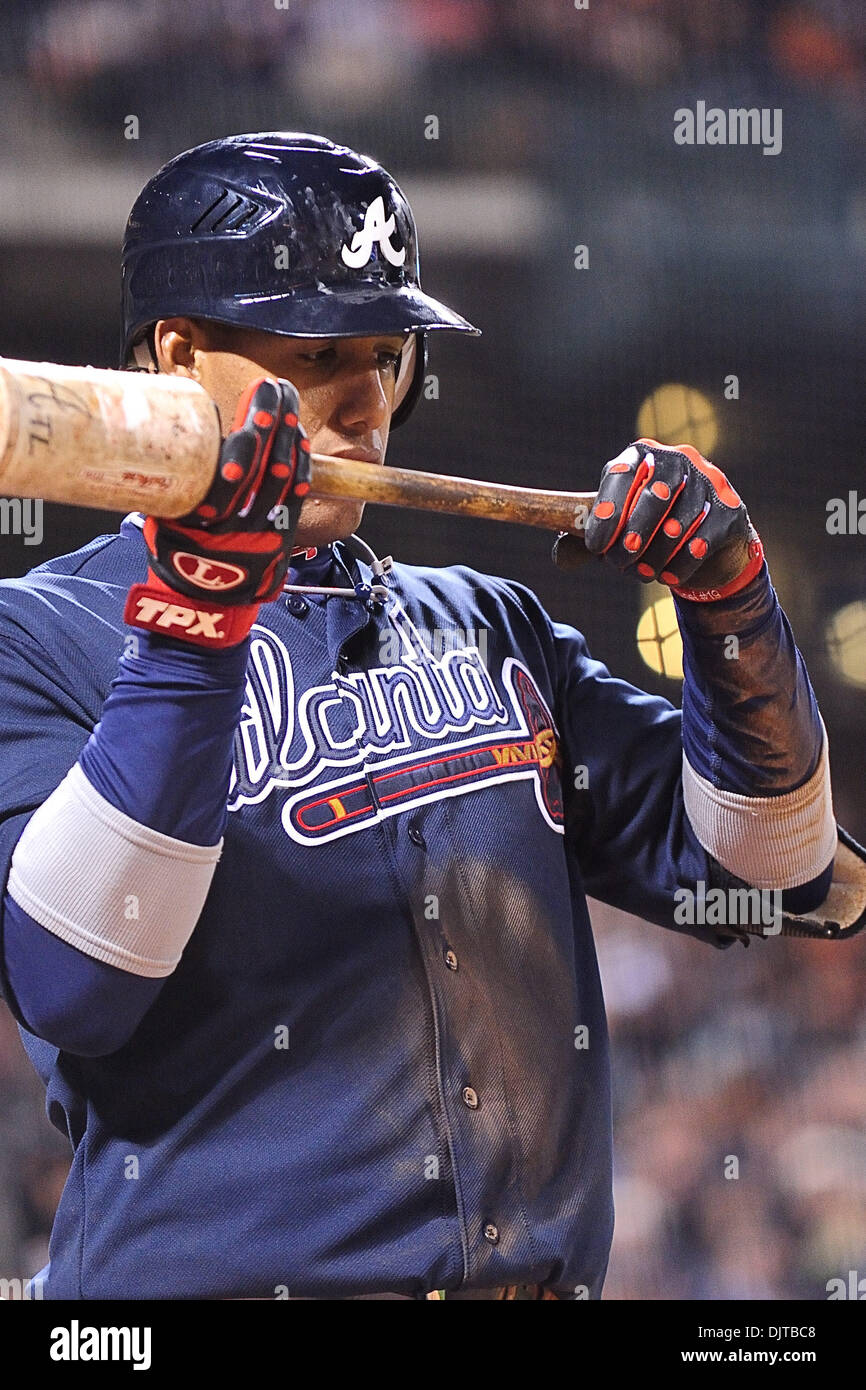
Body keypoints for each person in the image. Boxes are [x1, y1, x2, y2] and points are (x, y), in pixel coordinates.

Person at [0, 132, 863, 1302]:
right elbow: (78, 987)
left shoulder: (490, 624)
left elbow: (772, 871)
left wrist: (733, 613)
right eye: (315, 351)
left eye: (387, 351)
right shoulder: (40, 635)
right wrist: (198, 624)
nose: (365, 401)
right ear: (177, 354)